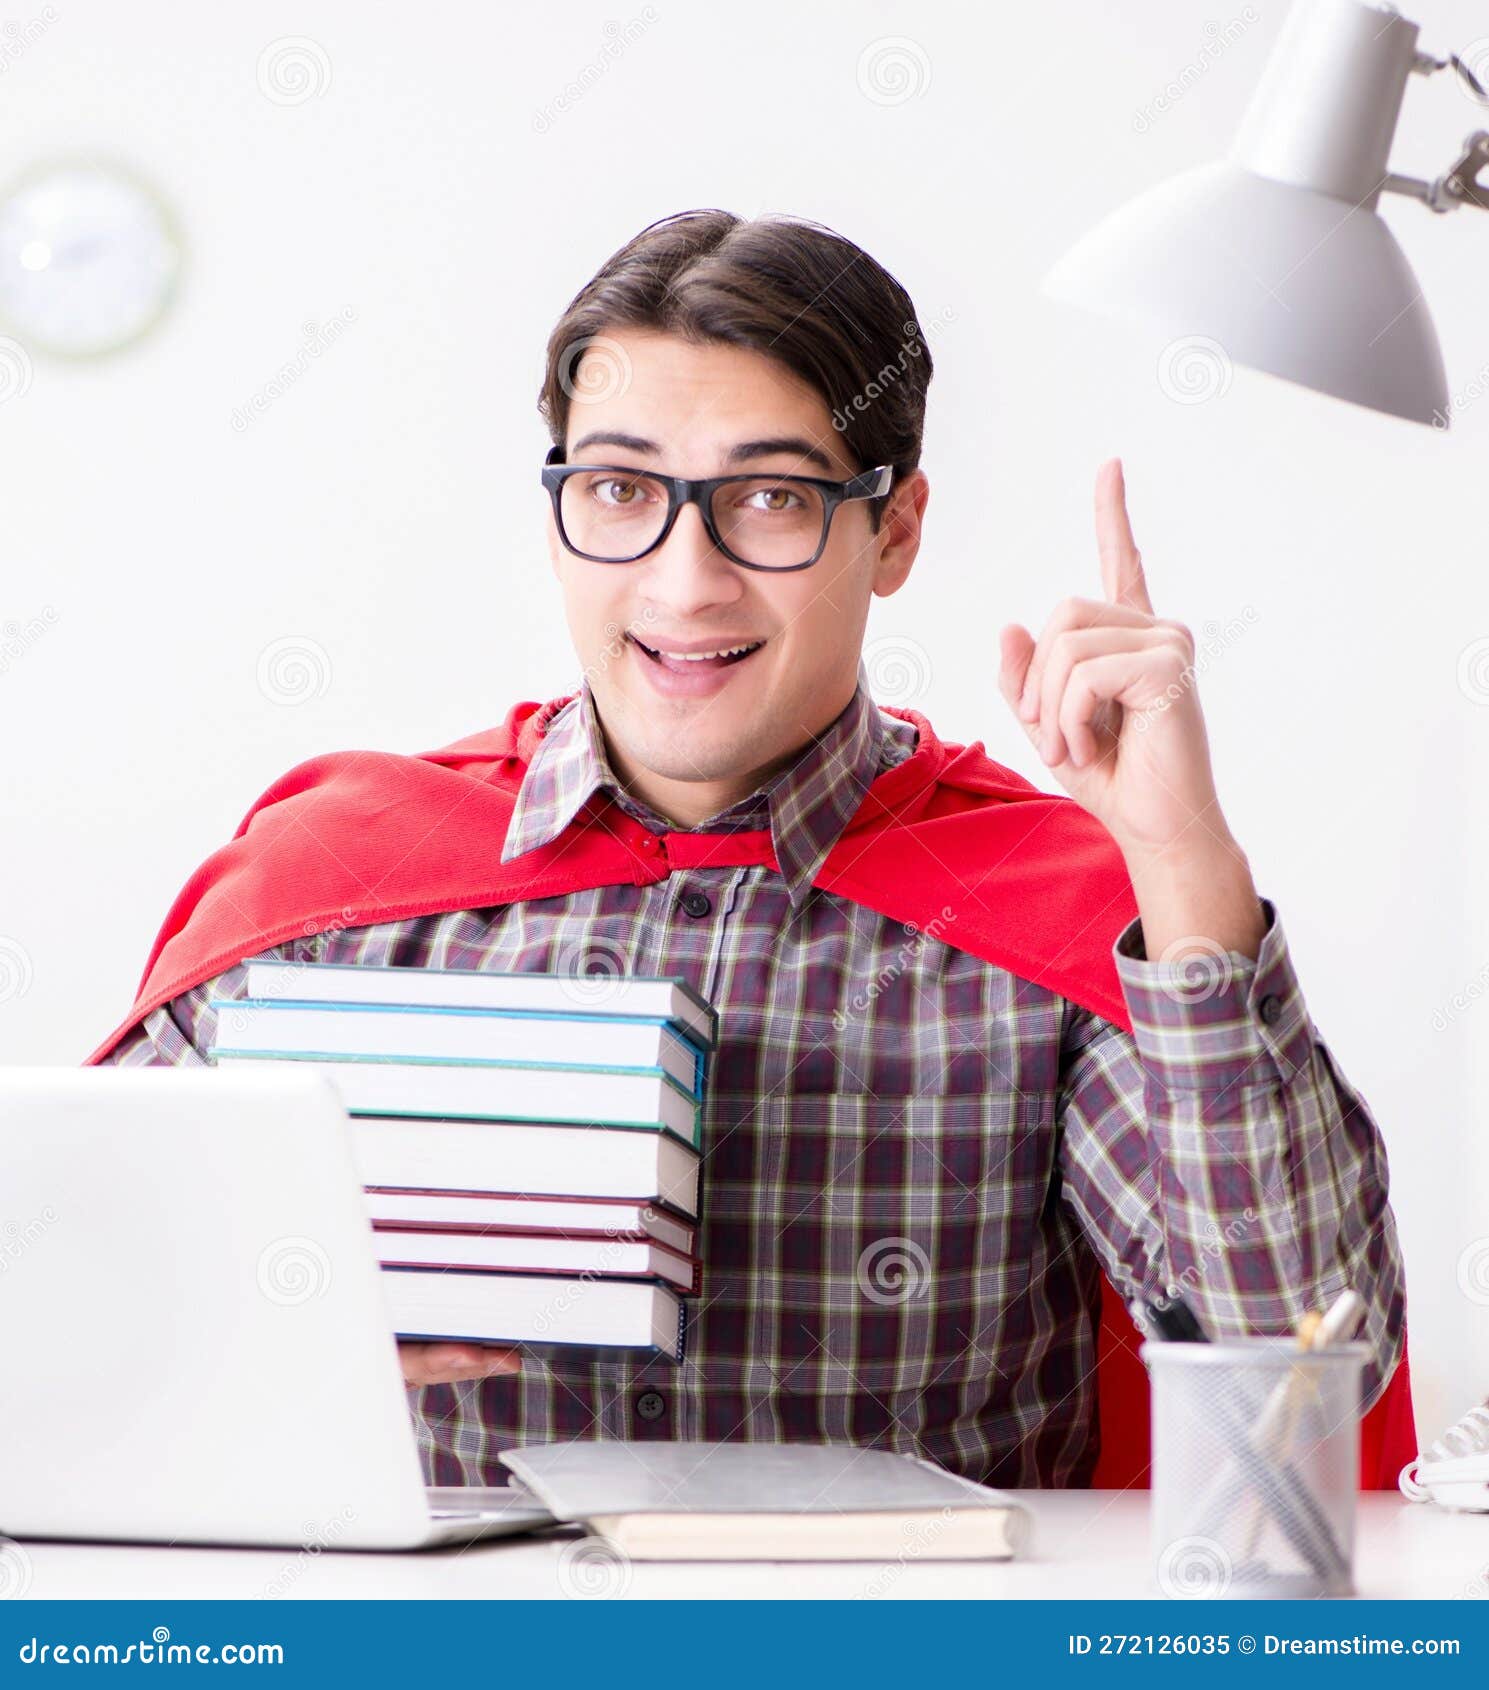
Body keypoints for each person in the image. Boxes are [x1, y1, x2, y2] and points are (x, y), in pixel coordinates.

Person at [89, 208, 1408, 1487]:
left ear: (889, 530)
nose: (683, 581)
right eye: (618, 490)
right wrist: (260, 1310)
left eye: (768, 499)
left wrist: (1180, 859)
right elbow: (71, 1311)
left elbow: (1298, 1363)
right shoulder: (328, 891)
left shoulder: (1060, 911)